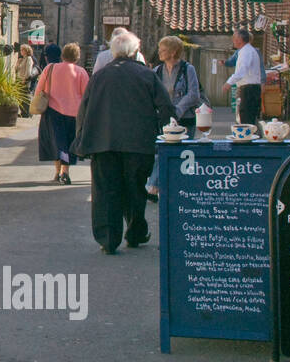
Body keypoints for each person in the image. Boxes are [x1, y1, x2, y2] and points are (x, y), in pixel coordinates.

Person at [72, 30, 175, 254]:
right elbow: (166, 106)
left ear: (113, 52)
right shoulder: (147, 75)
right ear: (135, 51)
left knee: (106, 190)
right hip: (139, 143)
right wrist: (165, 131)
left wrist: (81, 138)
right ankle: (136, 232)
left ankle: (108, 239)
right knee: (135, 189)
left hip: (103, 142)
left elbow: (84, 109)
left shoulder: (99, 76)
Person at [145, 35, 202, 202]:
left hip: (185, 120)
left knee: (182, 155)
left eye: (163, 50)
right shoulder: (157, 71)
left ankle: (170, 188)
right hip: (164, 120)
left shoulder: (188, 69)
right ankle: (155, 186)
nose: (160, 52)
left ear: (173, 52)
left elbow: (194, 94)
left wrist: (177, 111)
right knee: (161, 153)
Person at [36, 42, 89, 184]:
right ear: (77, 57)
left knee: (57, 141)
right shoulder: (81, 72)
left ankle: (57, 170)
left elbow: (39, 89)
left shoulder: (50, 68)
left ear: (63, 54)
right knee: (70, 142)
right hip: (74, 113)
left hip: (53, 111)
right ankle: (65, 170)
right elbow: (86, 95)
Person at [223, 28, 261, 128]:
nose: (233, 40)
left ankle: (248, 141)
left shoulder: (246, 52)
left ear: (239, 39)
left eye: (234, 38)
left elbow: (241, 70)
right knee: (247, 118)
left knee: (247, 120)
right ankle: (250, 139)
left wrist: (229, 83)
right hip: (250, 88)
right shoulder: (246, 51)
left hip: (249, 89)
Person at [14, 43, 39, 118]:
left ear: (26, 51)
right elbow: (16, 70)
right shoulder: (22, 59)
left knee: (25, 97)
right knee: (20, 97)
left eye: (22, 50)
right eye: (21, 50)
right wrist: (18, 63)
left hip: (24, 81)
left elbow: (28, 71)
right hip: (19, 80)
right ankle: (23, 112)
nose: (21, 51)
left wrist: (25, 79)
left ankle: (27, 113)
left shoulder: (28, 59)